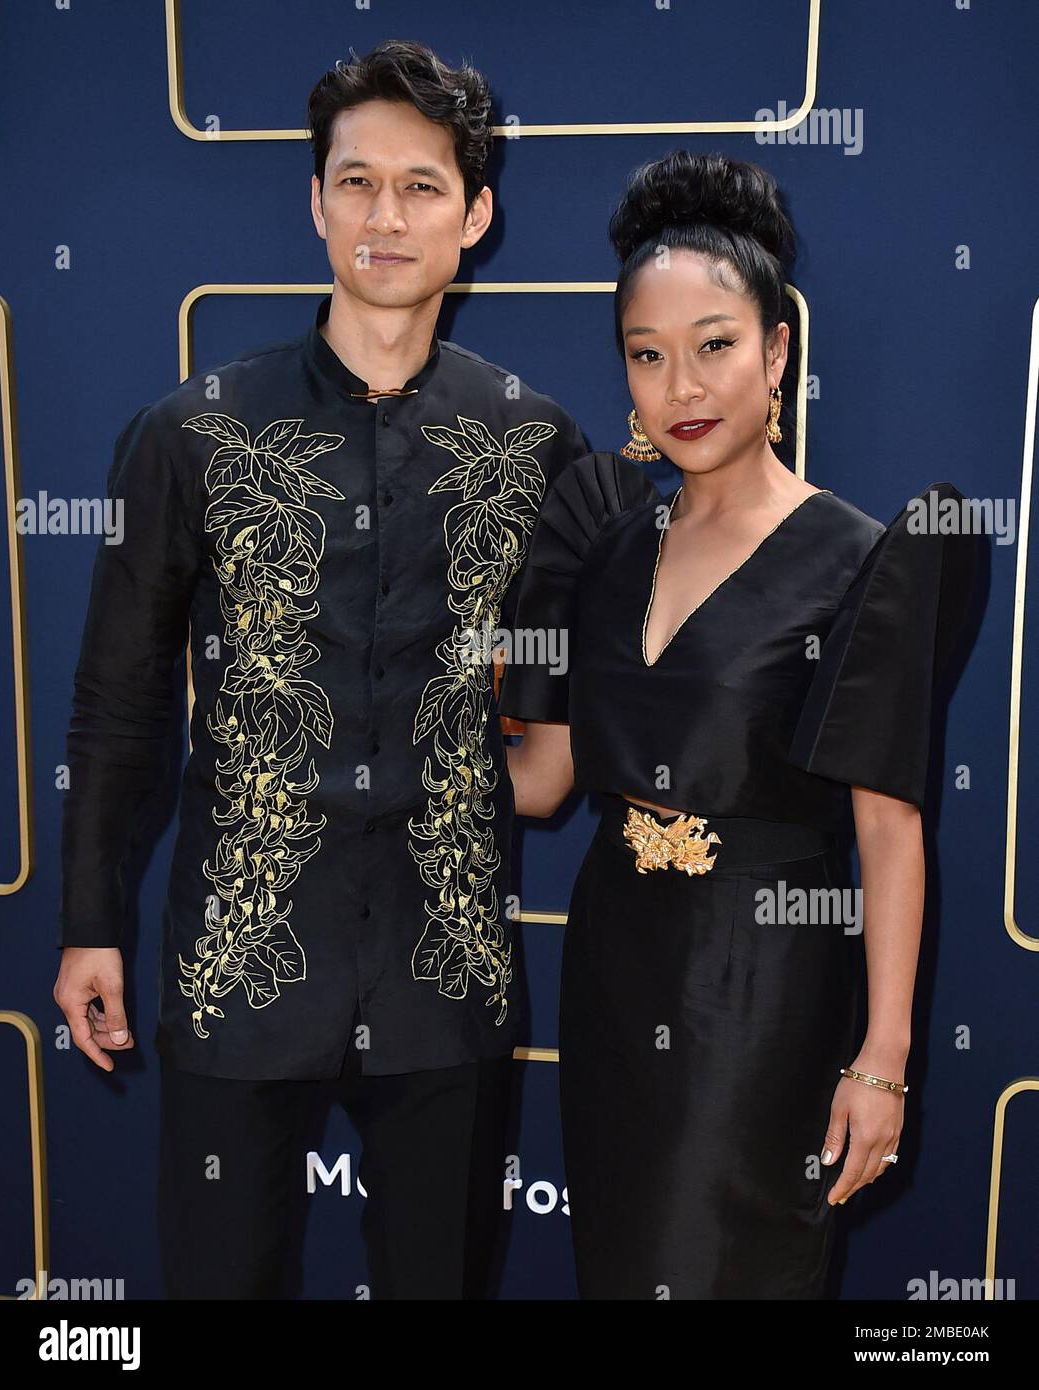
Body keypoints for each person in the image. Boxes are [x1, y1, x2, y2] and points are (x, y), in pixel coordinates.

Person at [52, 39, 587, 1300]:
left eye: (420, 186)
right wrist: (88, 926)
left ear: (477, 216)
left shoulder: (537, 441)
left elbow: (557, 701)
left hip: (445, 976)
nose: (384, 216)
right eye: (356, 182)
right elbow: (118, 701)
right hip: (241, 970)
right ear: (314, 201)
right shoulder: (190, 432)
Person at [497, 151, 978, 1299]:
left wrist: (885, 1060)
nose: (683, 386)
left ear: (775, 352)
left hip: (767, 982)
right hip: (617, 970)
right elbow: (544, 780)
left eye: (715, 345)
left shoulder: (859, 560)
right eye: (649, 356)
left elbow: (890, 829)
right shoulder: (604, 548)